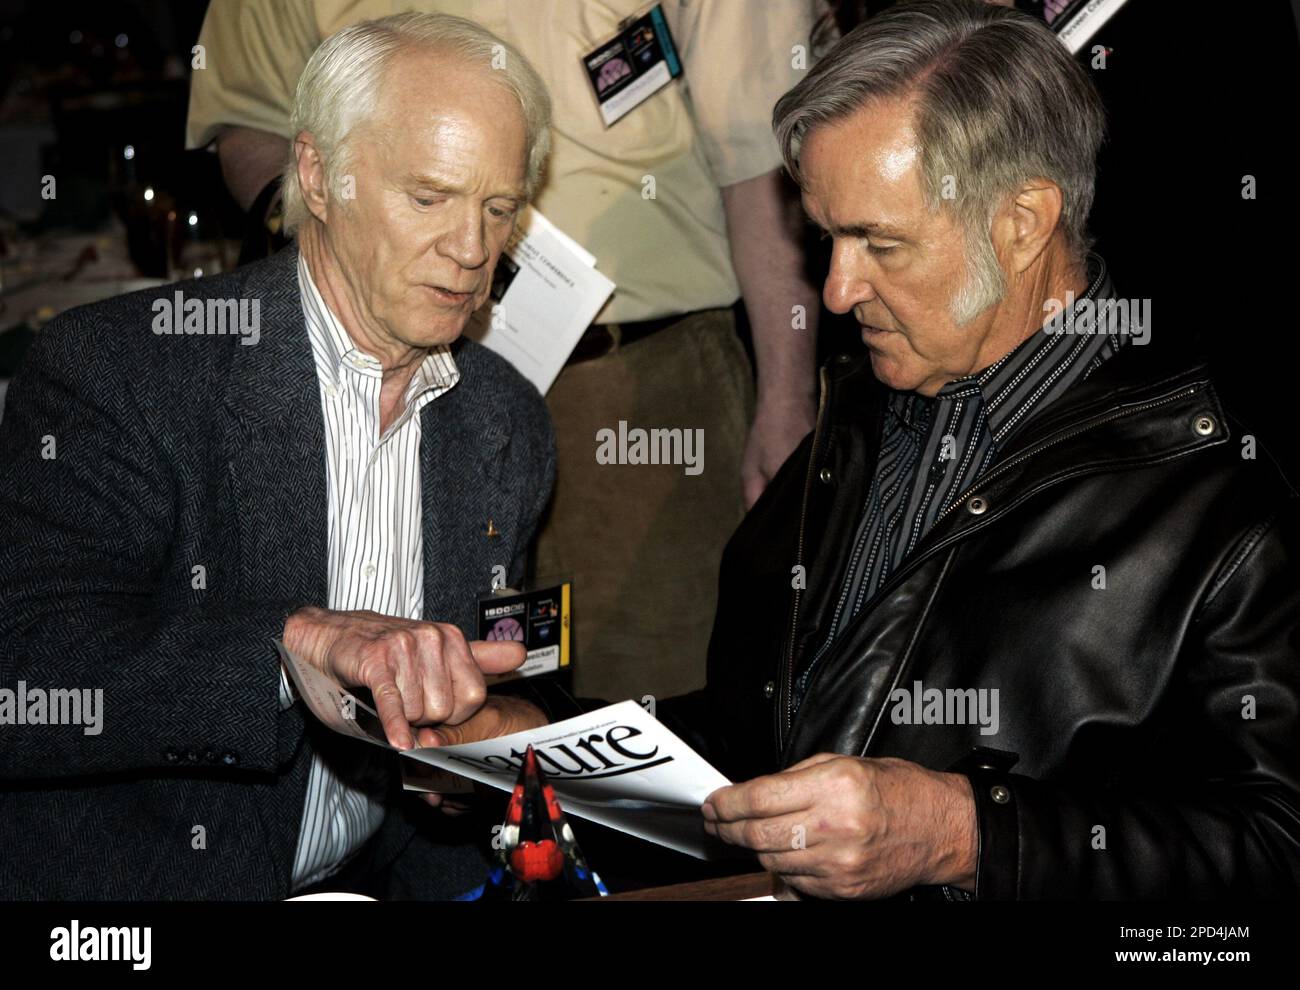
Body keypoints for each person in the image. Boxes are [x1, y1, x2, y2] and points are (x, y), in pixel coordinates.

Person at [439, 0, 1300, 899]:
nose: (839, 291)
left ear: (1024, 221)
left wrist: (969, 835)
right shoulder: (861, 419)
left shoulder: (1217, 498)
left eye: (880, 242)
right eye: (828, 238)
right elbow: (758, 752)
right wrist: (520, 747)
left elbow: (1276, 844)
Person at [0, 13, 563, 900]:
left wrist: (487, 742)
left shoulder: (503, 418)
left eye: (498, 209)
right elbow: (22, 671)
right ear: (318, 174)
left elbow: (515, 681)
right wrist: (285, 648)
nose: (472, 251)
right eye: (428, 197)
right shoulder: (126, 370)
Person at [186, 0, 823, 702]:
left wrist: (788, 395)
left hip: (638, 383)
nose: (473, 246)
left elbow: (759, 154)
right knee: (414, 694)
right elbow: (252, 120)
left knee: (661, 694)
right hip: (391, 375)